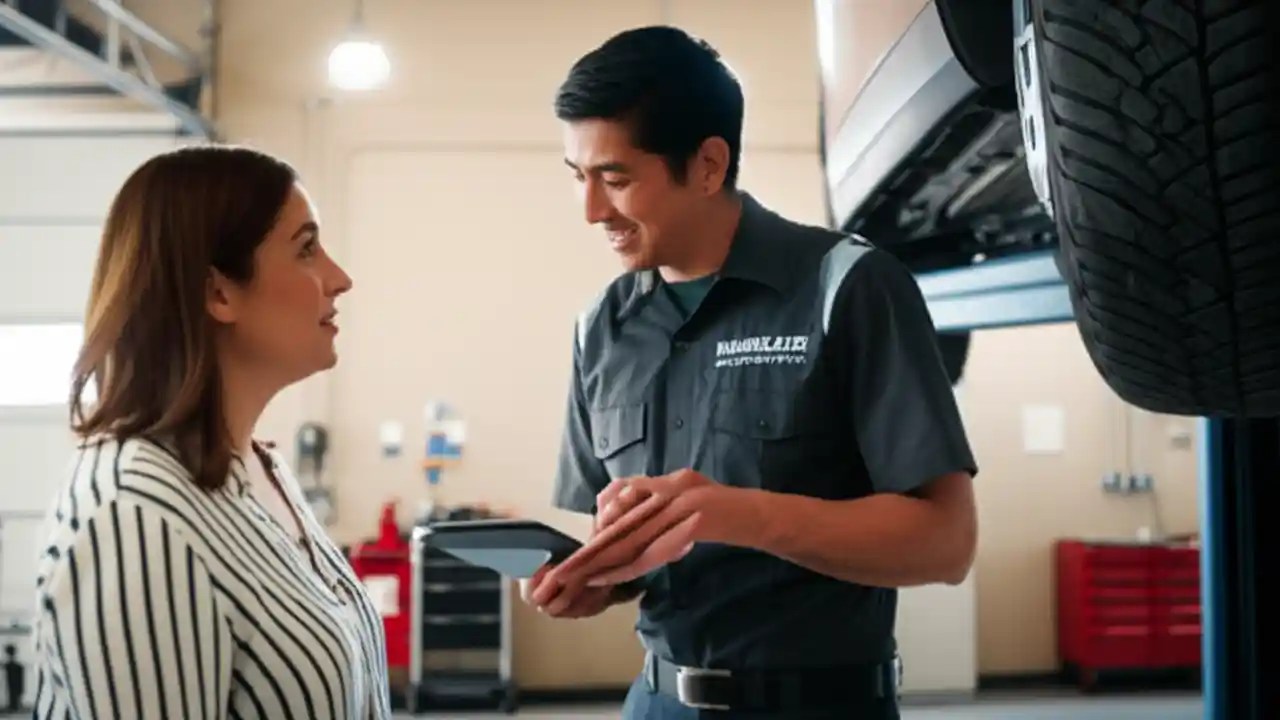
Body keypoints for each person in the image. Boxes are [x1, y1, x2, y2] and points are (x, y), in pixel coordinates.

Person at [523, 26, 979, 719]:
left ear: (708, 165)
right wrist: (597, 579)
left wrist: (742, 515)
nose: (591, 212)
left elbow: (947, 543)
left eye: (614, 179)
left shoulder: (850, 287)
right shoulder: (601, 328)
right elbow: (621, 541)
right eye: (578, 178)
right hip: (656, 702)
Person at [28, 146, 392, 720]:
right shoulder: (134, 511)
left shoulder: (261, 473)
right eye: (306, 249)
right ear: (217, 292)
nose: (339, 278)